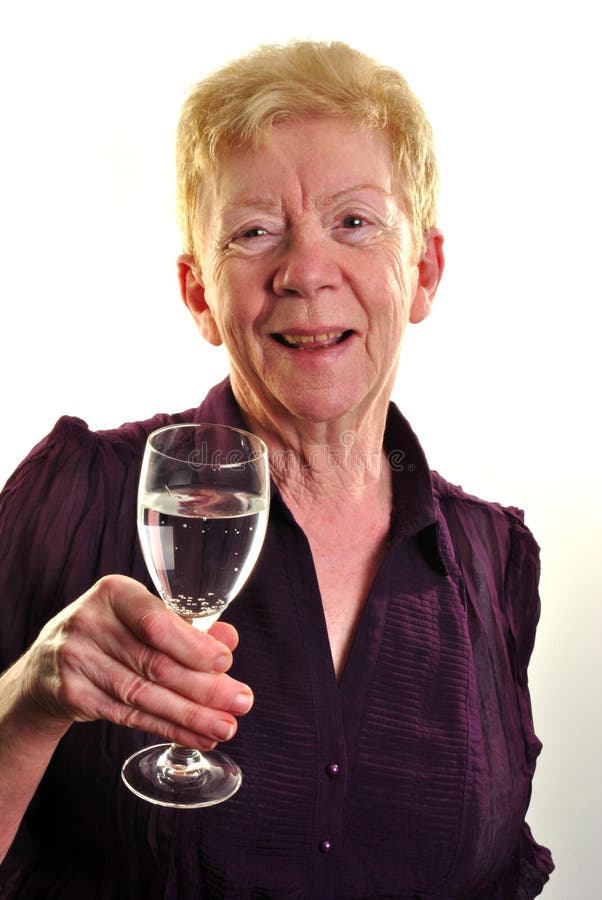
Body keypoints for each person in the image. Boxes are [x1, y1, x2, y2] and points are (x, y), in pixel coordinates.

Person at [0, 40, 553, 899]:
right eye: (255, 233)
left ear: (424, 272)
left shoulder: (496, 559)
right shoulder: (76, 495)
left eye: (355, 223)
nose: (304, 272)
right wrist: (28, 702)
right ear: (199, 295)